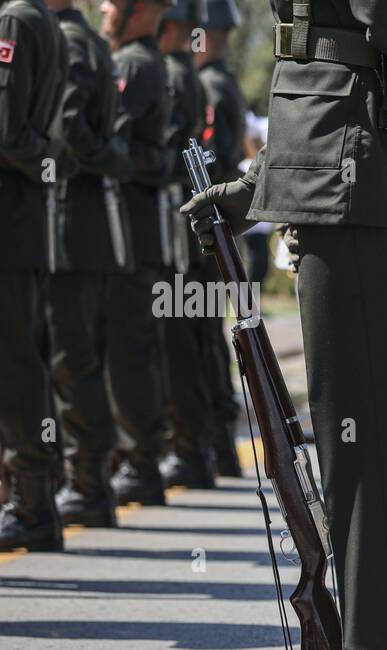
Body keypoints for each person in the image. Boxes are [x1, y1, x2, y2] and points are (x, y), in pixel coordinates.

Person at [183, 0, 387, 650]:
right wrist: (266, 182)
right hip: (368, 156)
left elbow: (379, 22)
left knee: (365, 440)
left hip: (359, 162)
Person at [46, 0, 126, 533]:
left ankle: (88, 482)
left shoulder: (72, 42)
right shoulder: (93, 42)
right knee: (81, 357)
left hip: (74, 218)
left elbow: (69, 129)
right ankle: (89, 477)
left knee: (69, 357)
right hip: (91, 222)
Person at [98, 0, 175, 508]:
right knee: (133, 348)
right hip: (141, 230)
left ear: (140, 10)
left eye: (112, 2)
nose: (105, 9)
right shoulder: (149, 63)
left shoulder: (133, 65)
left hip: (128, 230)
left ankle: (141, 460)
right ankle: (141, 456)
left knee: (125, 352)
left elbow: (114, 143)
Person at [0, 0, 68, 552]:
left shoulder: (16, 20)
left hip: (11, 218)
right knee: (25, 362)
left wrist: (44, 157)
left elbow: (8, 131)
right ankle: (33, 497)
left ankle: (32, 504)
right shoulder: (44, 20)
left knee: (18, 367)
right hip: (25, 221)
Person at [158, 0, 213, 490]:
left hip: (171, 235)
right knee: (193, 343)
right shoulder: (188, 76)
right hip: (186, 236)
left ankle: (191, 449)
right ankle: (199, 448)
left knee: (178, 346)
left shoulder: (174, 75)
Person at [193, 0, 247, 480]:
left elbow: (207, 159)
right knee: (211, 338)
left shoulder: (210, 85)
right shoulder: (224, 82)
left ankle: (213, 444)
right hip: (228, 228)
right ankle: (219, 448)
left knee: (205, 341)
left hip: (216, 228)